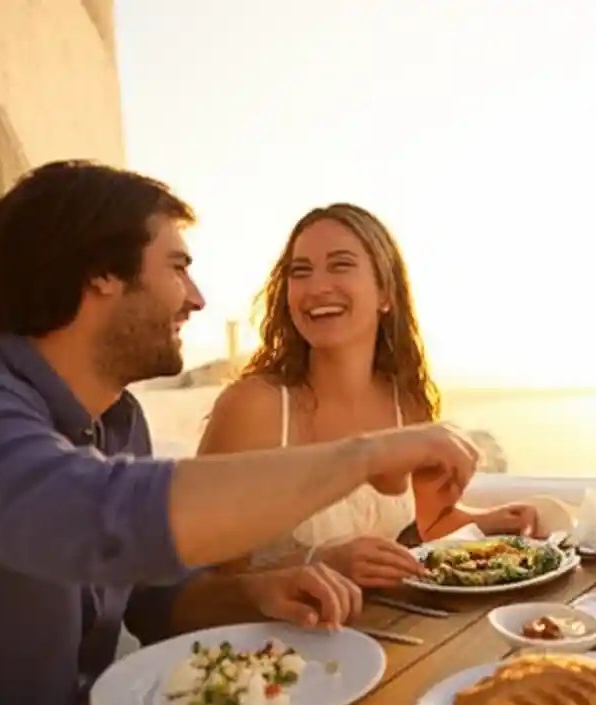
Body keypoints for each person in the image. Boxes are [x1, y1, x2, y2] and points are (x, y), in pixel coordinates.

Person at [0, 162, 479, 705]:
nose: (197, 299)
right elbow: (104, 518)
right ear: (101, 276)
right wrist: (365, 455)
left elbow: (154, 599)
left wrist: (259, 592)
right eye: (177, 267)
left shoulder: (118, 421)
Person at [197, 203, 538, 588]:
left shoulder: (405, 403)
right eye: (301, 271)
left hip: (386, 634)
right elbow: (202, 580)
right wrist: (315, 563)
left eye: (340, 265)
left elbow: (427, 524)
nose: (316, 287)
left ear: (385, 293)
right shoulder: (253, 407)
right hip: (276, 644)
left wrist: (489, 521)